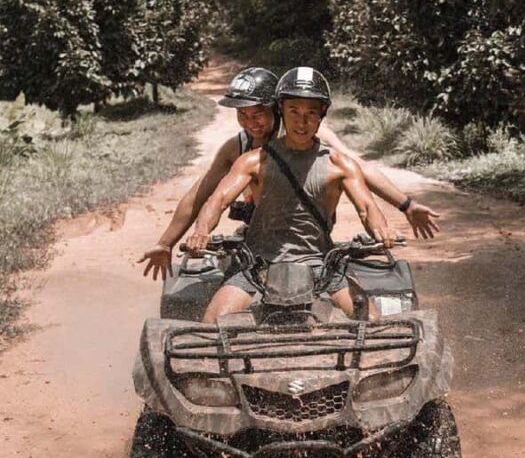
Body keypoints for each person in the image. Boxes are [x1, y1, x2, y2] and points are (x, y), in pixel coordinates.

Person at [138, 66, 440, 280]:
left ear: (277, 109)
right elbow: (201, 195)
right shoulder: (238, 148)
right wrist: (166, 243)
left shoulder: (308, 132)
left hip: (308, 236)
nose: (250, 122)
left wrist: (407, 205)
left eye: (259, 113)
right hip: (258, 234)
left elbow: (360, 171)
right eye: (242, 114)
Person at [186, 67, 393, 320]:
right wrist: (201, 231)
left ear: (322, 115)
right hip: (257, 266)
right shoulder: (252, 161)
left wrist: (382, 230)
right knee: (211, 324)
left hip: (321, 266)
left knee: (373, 323)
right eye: (294, 112)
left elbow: (367, 208)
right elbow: (217, 200)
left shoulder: (341, 166)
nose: (302, 122)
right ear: (281, 109)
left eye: (311, 113)